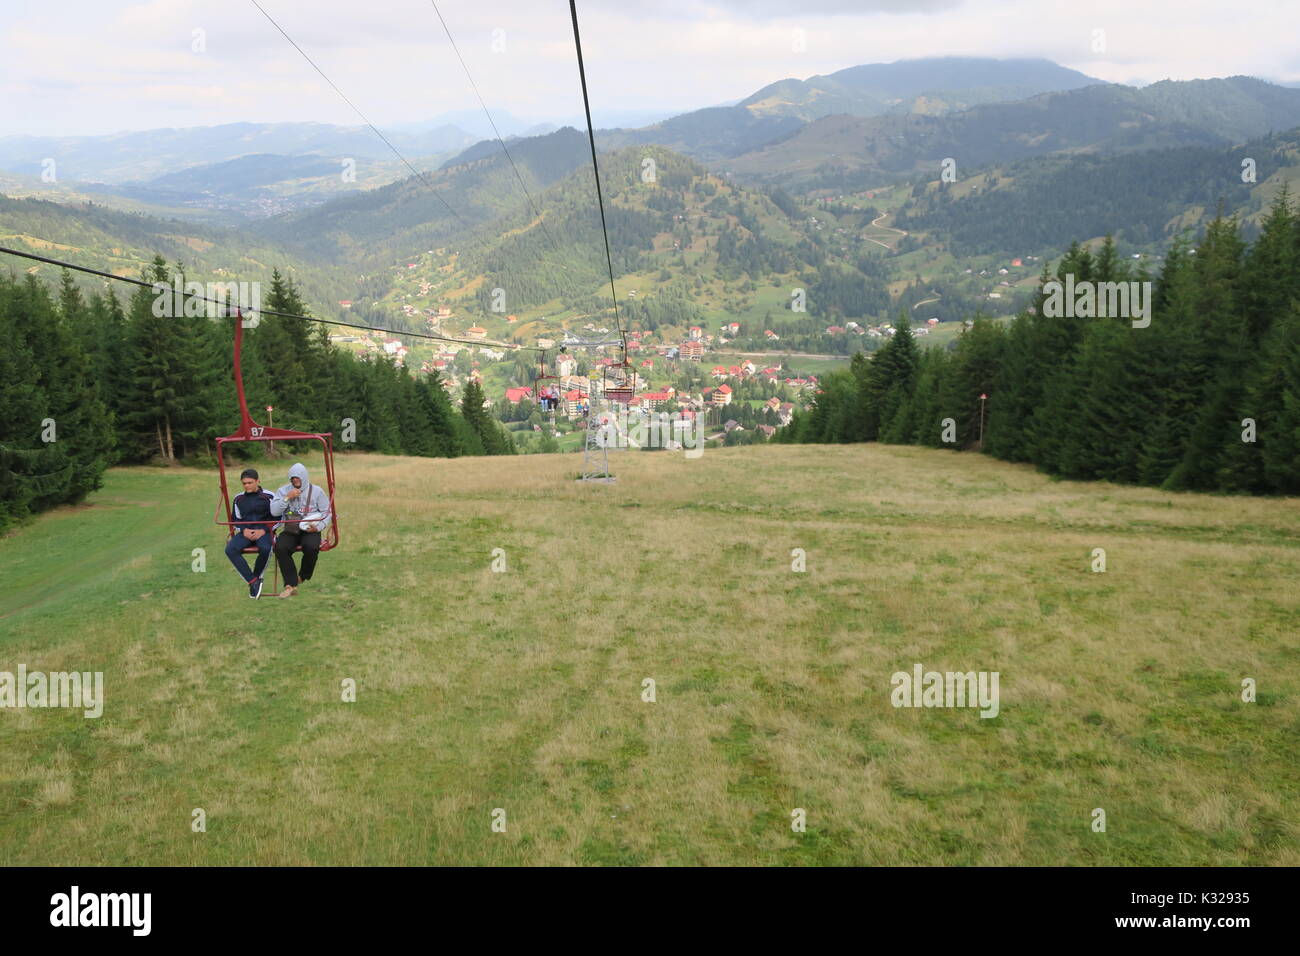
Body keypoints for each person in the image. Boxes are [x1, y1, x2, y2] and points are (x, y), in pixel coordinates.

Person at [270, 462, 332, 599]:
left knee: (311, 546)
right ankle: (290, 585)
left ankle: (303, 576)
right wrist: (287, 497)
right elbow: (274, 512)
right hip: (291, 528)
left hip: (310, 528)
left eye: (298, 479)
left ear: (304, 478)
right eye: (292, 479)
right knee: (280, 547)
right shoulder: (283, 491)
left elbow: (327, 512)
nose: (295, 481)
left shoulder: (317, 491)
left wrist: (319, 526)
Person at [225, 468, 275, 599]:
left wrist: (263, 530)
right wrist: (244, 530)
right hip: (246, 531)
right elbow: (235, 519)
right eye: (244, 483)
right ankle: (253, 581)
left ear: (258, 481)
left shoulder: (269, 496)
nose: (247, 486)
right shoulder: (238, 499)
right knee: (230, 549)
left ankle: (257, 577)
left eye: (250, 482)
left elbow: (278, 517)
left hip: (264, 531)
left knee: (266, 548)